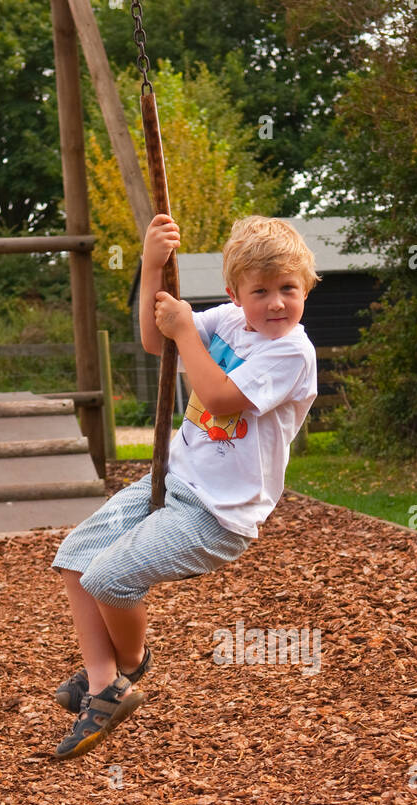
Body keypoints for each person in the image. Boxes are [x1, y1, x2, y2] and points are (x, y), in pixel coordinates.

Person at [50, 213, 319, 760]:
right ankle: (104, 686)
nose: (274, 304)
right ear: (234, 294)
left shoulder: (291, 352)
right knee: (75, 558)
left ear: (306, 288)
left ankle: (128, 666)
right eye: (260, 291)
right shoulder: (229, 322)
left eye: (288, 289)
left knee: (109, 579)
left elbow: (219, 396)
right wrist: (152, 265)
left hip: (217, 514)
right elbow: (157, 342)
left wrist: (183, 329)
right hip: (171, 480)